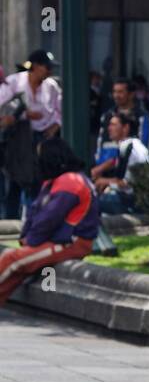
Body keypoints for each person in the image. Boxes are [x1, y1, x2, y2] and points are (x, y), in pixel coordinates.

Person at [0, 138, 99, 307]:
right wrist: (27, 238)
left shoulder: (70, 182)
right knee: (17, 264)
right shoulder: (56, 181)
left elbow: (48, 218)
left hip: (71, 242)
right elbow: (34, 212)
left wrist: (30, 241)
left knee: (12, 258)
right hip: (56, 240)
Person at [0, 50, 63, 217]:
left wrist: (55, 127)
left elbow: (60, 110)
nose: (50, 71)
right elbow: (2, 105)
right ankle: (11, 220)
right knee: (16, 179)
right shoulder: (15, 82)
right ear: (35, 66)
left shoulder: (51, 86)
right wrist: (21, 115)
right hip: (20, 138)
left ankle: (40, 218)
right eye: (47, 67)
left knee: (41, 180)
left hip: (43, 137)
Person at [92, 111, 149, 214]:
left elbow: (129, 184)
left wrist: (104, 181)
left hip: (133, 202)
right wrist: (102, 169)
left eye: (113, 124)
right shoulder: (126, 146)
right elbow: (116, 163)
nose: (109, 128)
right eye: (109, 125)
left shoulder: (133, 149)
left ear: (125, 128)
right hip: (126, 197)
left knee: (92, 203)